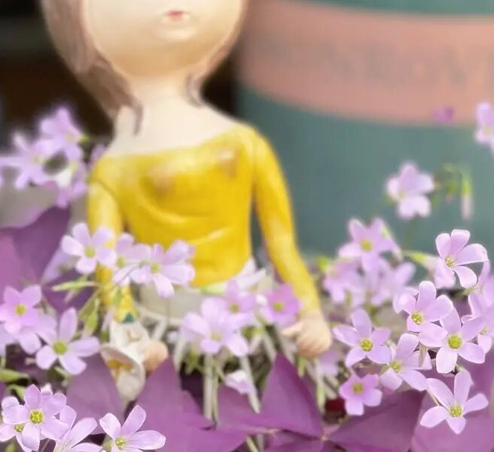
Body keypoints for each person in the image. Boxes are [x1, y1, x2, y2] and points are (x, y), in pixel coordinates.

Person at [41, 0, 333, 377]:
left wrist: (310, 313)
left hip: (250, 319)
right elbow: (109, 267)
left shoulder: (244, 141)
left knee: (257, 407)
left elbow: (280, 243)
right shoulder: (113, 169)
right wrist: (128, 330)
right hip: (168, 328)